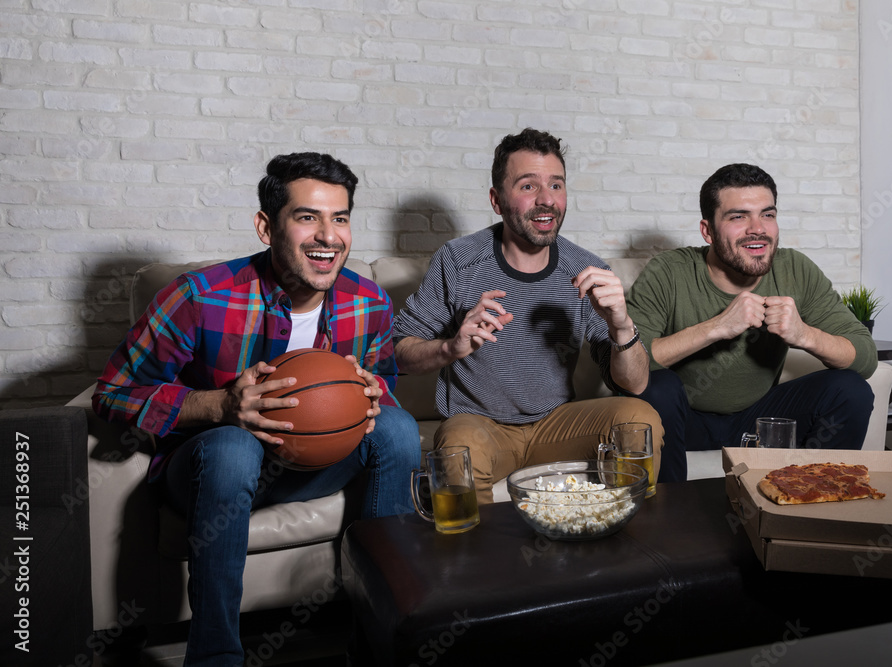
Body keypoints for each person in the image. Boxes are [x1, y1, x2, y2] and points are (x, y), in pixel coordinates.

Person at [92, 152, 421, 666]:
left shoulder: (370, 302)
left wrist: (372, 393)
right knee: (230, 447)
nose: (328, 236)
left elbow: (385, 382)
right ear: (267, 226)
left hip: (313, 466)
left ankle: (384, 643)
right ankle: (216, 657)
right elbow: (112, 393)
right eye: (307, 217)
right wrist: (218, 404)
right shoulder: (198, 296)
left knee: (399, 430)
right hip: (213, 473)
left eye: (340, 218)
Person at [392, 128, 664, 504]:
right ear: (497, 199)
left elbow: (633, 383)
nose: (546, 200)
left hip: (556, 427)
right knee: (459, 443)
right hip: (482, 427)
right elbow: (398, 352)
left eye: (556, 185)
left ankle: (625, 547)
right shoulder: (458, 260)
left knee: (640, 416)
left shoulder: (586, 269)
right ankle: (477, 560)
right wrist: (450, 348)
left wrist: (620, 324)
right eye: (527, 187)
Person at [623, 163, 878, 483]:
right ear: (708, 230)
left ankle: (812, 500)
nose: (757, 228)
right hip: (684, 421)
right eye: (738, 216)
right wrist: (715, 327)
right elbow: (627, 365)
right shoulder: (669, 271)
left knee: (850, 389)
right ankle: (672, 516)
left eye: (768, 214)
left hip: (759, 419)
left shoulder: (795, 269)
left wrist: (804, 334)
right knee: (658, 386)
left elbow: (865, 356)